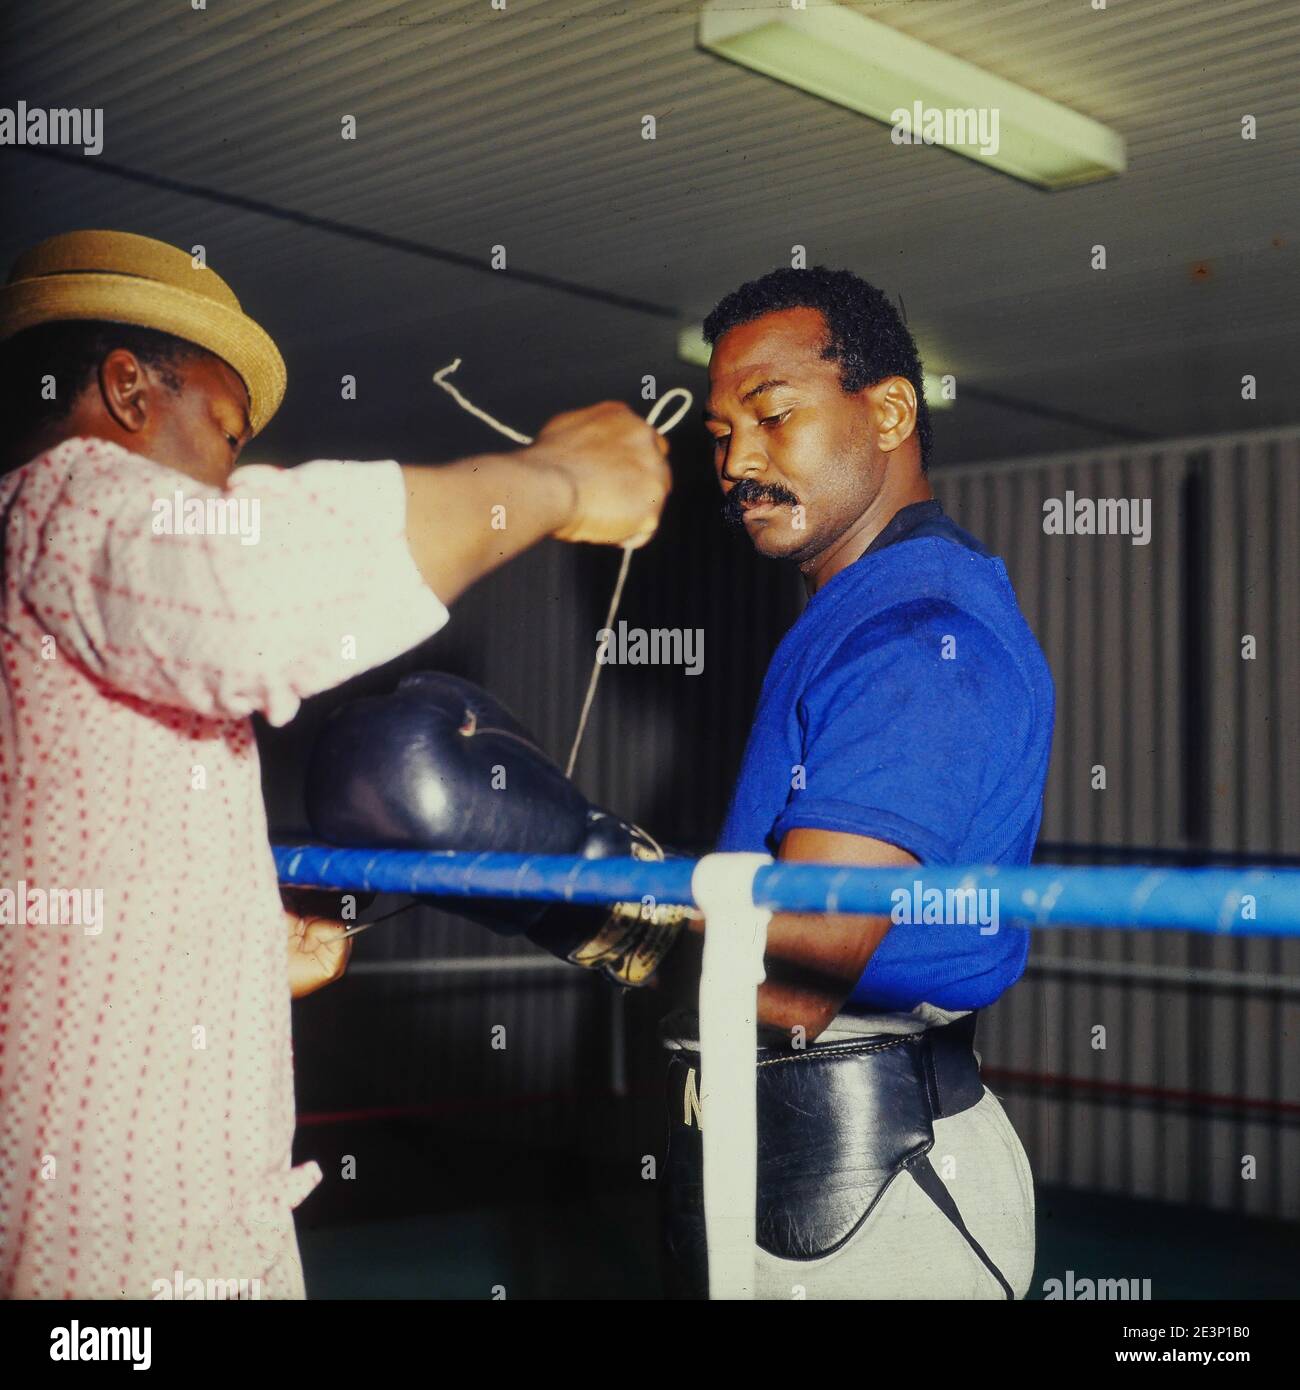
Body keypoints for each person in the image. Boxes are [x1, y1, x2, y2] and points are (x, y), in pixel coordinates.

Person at [297, 266, 1055, 1300]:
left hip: (878, 1184)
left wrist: (576, 869)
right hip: (780, 1165)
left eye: (773, 416)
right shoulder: (853, 618)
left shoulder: (917, 635)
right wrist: (570, 882)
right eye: (721, 433)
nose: (737, 459)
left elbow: (794, 980)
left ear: (887, 413)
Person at [0, 229, 671, 1299]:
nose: (229, 470)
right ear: (127, 390)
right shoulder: (62, 505)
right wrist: (555, 481)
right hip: (114, 1244)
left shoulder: (47, 592)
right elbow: (255, 589)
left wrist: (235, 950)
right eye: (224, 432)